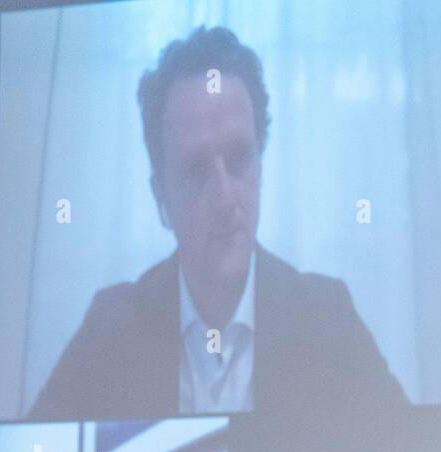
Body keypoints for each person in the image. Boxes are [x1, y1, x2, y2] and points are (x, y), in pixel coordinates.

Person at [26, 26, 406, 421]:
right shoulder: (111, 327)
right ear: (162, 198)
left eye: (241, 159)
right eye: (195, 171)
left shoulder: (328, 319)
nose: (226, 199)